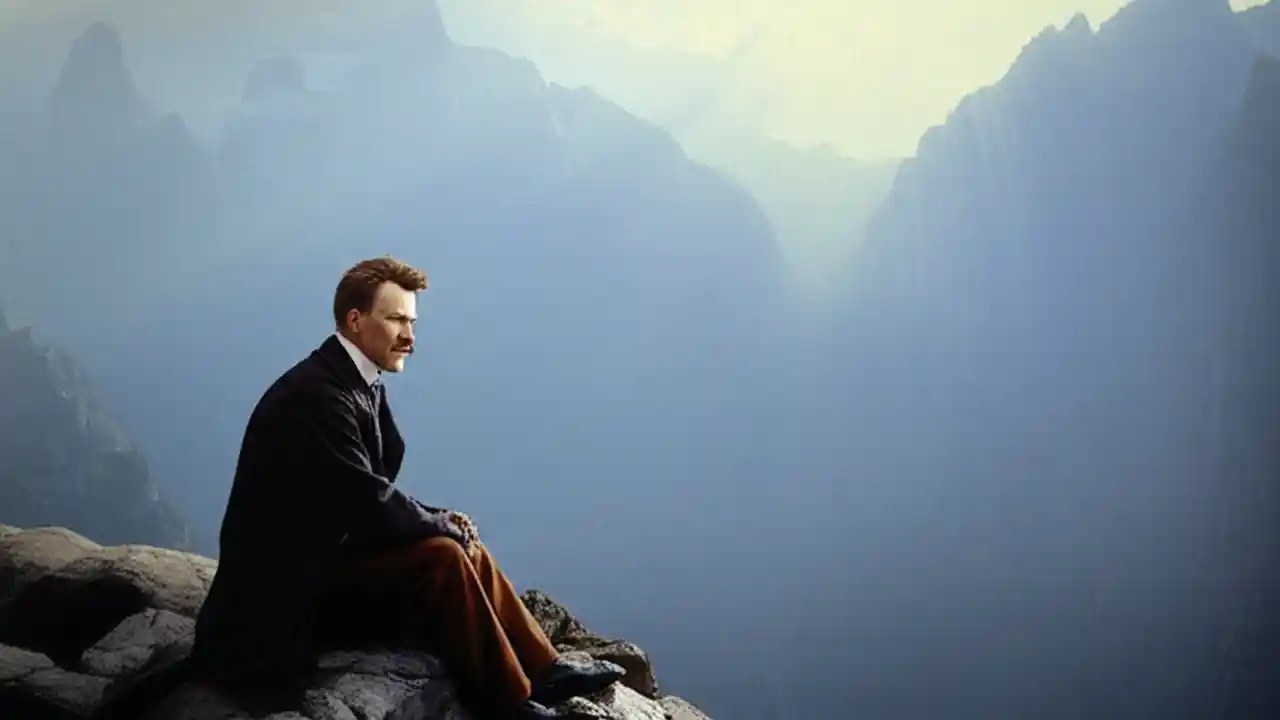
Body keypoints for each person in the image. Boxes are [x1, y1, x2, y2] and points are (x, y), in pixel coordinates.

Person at [188, 256, 623, 719]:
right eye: (396, 319)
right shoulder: (317, 397)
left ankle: (546, 670)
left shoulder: (355, 378)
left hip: (325, 558)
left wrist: (442, 519)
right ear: (355, 321)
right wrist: (438, 525)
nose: (410, 336)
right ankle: (510, 704)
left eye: (411, 321)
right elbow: (366, 503)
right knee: (444, 555)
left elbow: (364, 490)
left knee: (462, 544)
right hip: (285, 596)